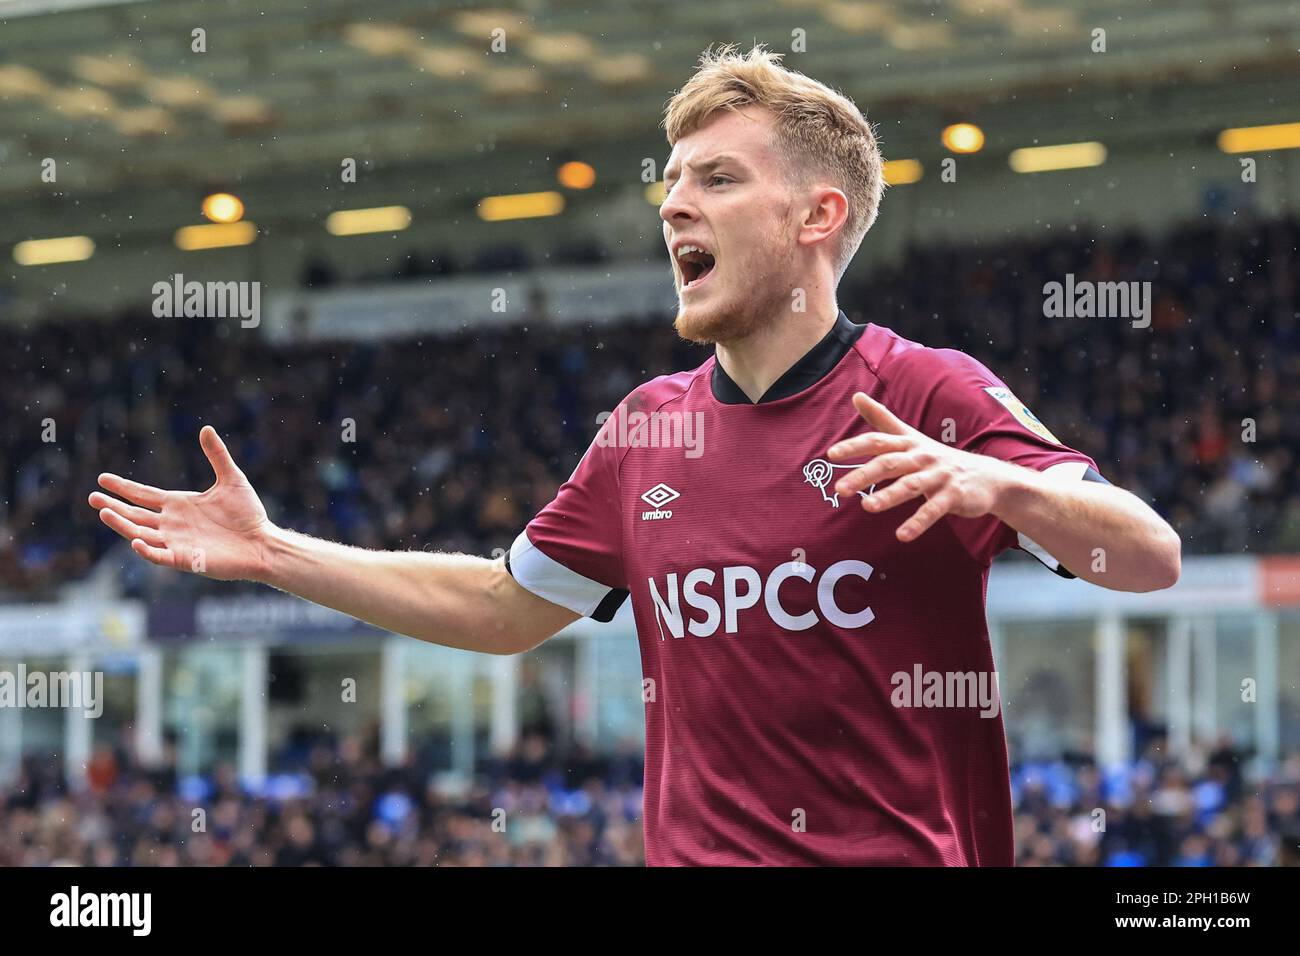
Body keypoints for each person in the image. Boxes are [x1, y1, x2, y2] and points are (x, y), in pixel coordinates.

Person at [88, 44, 1181, 866]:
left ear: (818, 213)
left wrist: (1002, 484)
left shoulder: (922, 389)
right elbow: (501, 607)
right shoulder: (645, 428)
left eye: (714, 178)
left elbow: (1146, 555)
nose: (673, 204)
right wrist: (277, 551)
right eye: (671, 179)